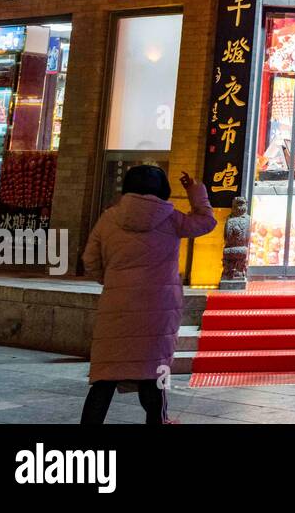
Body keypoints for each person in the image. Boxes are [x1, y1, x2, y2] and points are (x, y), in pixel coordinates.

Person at [81, 166, 216, 424]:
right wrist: (195, 191)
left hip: (116, 308)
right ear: (162, 188)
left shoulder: (109, 218)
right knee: (154, 377)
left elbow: (90, 259)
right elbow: (207, 222)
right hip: (159, 311)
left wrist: (112, 281)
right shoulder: (171, 219)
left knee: (104, 380)